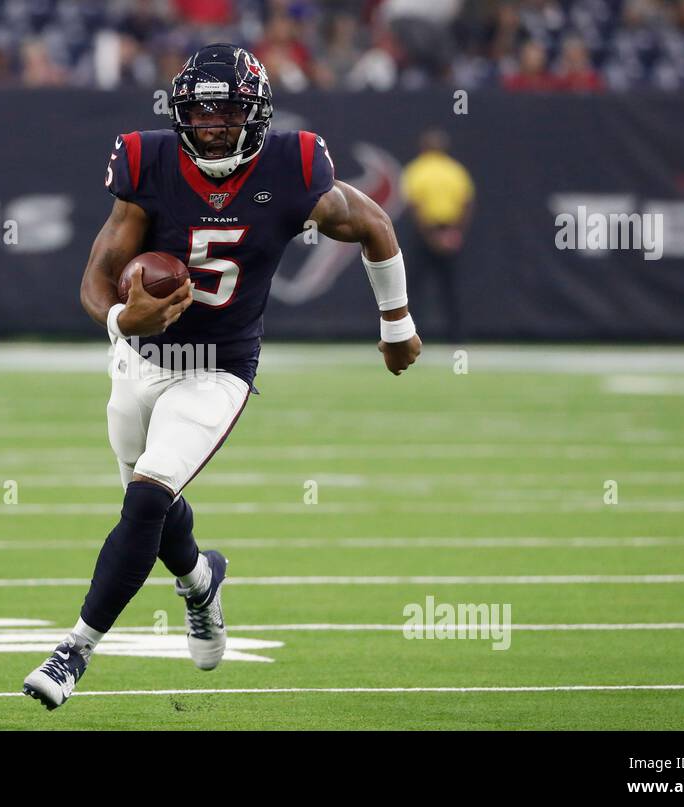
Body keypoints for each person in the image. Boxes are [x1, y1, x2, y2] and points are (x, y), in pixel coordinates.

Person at [22, 43, 422, 710]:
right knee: (154, 511)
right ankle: (201, 578)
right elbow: (95, 276)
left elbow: (375, 223)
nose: (210, 124)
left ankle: (74, 651)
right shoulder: (148, 161)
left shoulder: (294, 167)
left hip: (218, 366)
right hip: (139, 361)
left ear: (255, 114)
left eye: (225, 111)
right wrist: (125, 316)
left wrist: (396, 323)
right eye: (199, 112)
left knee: (146, 501)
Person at [401, 129, 474, 343]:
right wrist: (455, 233)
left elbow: (414, 206)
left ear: (423, 148)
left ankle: (409, 335)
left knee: (413, 286)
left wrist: (431, 237)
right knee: (450, 287)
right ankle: (456, 337)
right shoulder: (455, 170)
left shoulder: (417, 169)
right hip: (449, 229)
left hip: (424, 232)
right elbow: (467, 203)